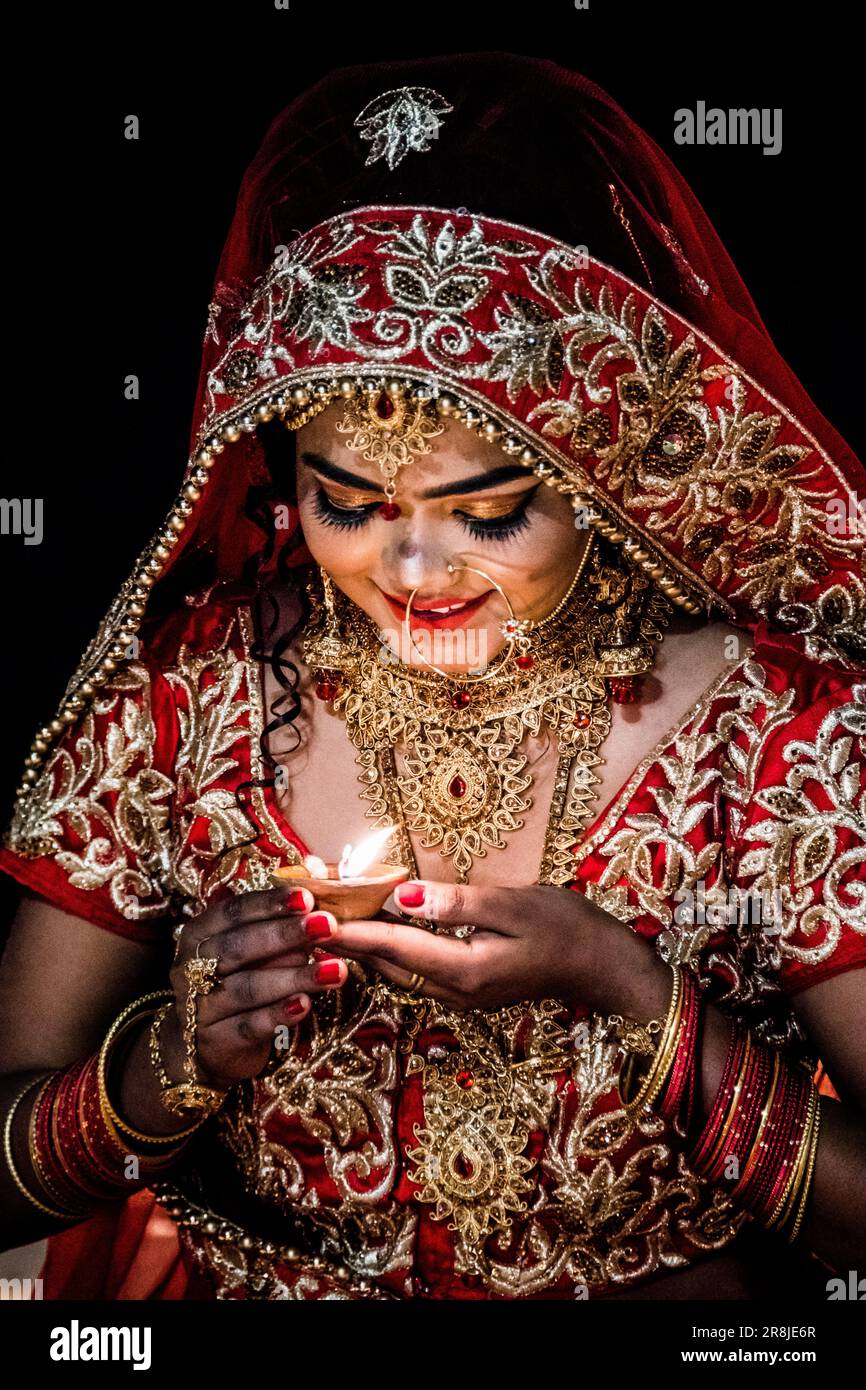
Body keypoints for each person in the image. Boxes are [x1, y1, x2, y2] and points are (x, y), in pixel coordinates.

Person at [0, 54, 864, 1302]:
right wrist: (168, 1063)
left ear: (599, 468)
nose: (411, 567)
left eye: (490, 514)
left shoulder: (769, 733)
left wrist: (628, 988)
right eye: (345, 502)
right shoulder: (196, 690)